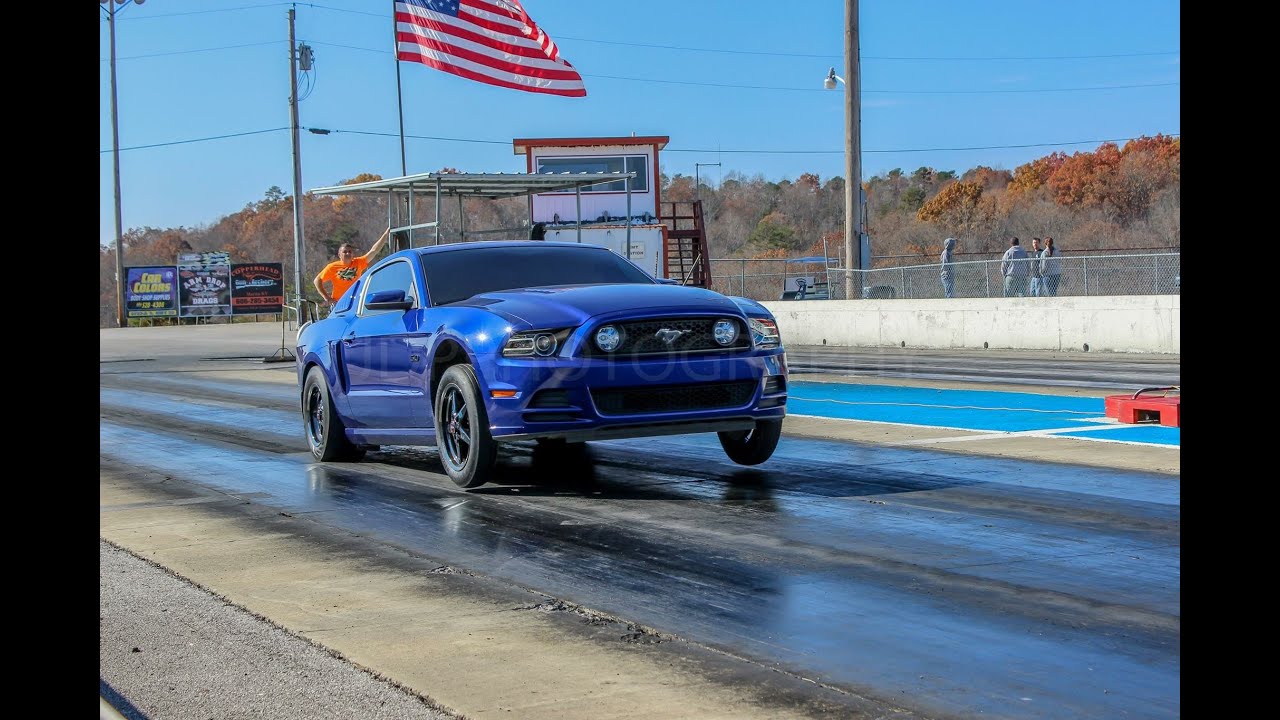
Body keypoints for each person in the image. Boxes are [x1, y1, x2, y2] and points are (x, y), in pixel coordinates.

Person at [313, 226, 390, 307]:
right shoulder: (332, 267)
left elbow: (374, 251)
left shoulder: (359, 262)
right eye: (345, 252)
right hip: (339, 303)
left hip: (355, 303)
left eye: (350, 252)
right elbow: (317, 280)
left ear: (353, 254)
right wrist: (327, 298)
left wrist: (386, 234)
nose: (348, 253)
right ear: (339, 255)